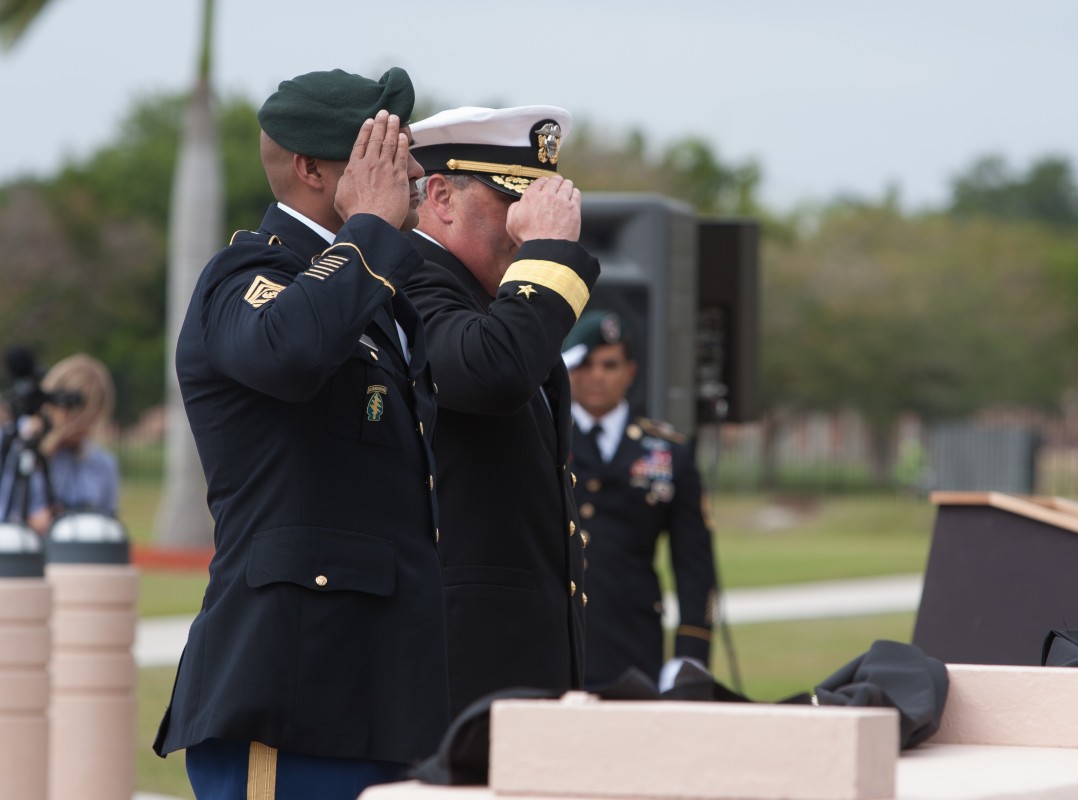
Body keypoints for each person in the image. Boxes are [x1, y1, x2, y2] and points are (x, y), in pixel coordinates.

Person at [151, 67, 450, 799]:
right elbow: (287, 353)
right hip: (295, 697)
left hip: (387, 697)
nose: (410, 171)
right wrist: (373, 231)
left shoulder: (375, 294)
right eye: (380, 153)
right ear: (312, 169)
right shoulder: (246, 275)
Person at [403, 105, 600, 716]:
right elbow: (490, 373)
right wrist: (545, 248)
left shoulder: (492, 304)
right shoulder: (404, 281)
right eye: (511, 205)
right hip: (457, 669)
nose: (522, 230)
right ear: (441, 196)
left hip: (516, 666)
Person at [562, 310, 719, 690]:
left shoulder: (669, 452)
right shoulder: (542, 440)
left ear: (629, 372)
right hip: (555, 635)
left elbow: (693, 562)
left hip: (632, 638)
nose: (597, 375)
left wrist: (690, 653)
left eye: (610, 364)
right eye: (585, 364)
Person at [0, 353, 119, 534]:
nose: (81, 428)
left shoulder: (101, 464)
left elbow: (108, 529)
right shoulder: (13, 446)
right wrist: (31, 524)